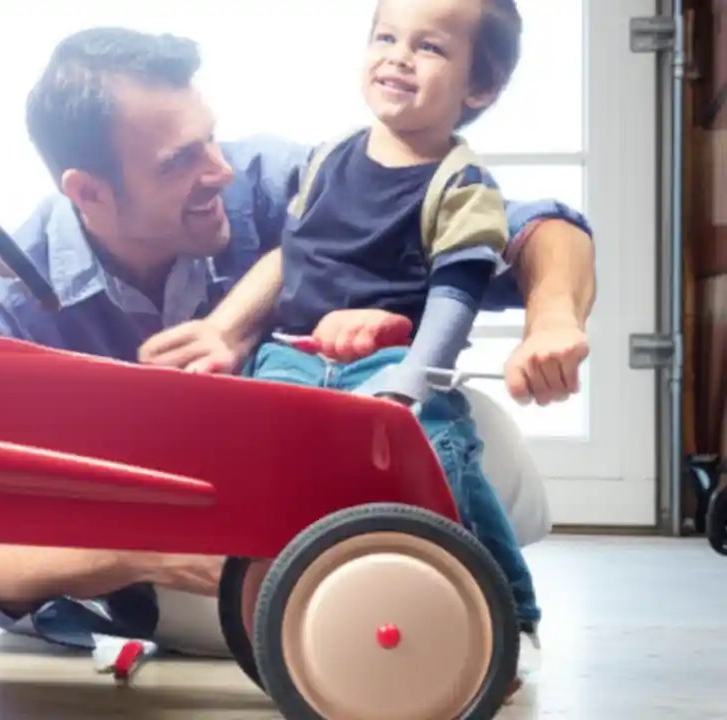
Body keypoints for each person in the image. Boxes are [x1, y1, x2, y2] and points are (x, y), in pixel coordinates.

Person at [0, 24, 593, 667]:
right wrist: (163, 550)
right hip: (166, 574)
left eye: (210, 138)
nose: (218, 170)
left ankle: (463, 609)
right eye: (179, 161)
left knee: (477, 436)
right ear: (87, 192)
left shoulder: (279, 179)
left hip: (337, 524)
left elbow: (536, 225)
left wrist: (554, 316)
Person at [142, 0, 541, 649]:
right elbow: (294, 258)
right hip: (291, 354)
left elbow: (455, 292)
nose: (398, 55)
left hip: (391, 363)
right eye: (385, 36)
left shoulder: (462, 185)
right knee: (249, 454)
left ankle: (502, 612)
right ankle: (279, 606)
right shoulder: (326, 159)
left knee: (438, 456)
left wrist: (410, 383)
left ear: (480, 86)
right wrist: (228, 331)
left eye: (430, 47)